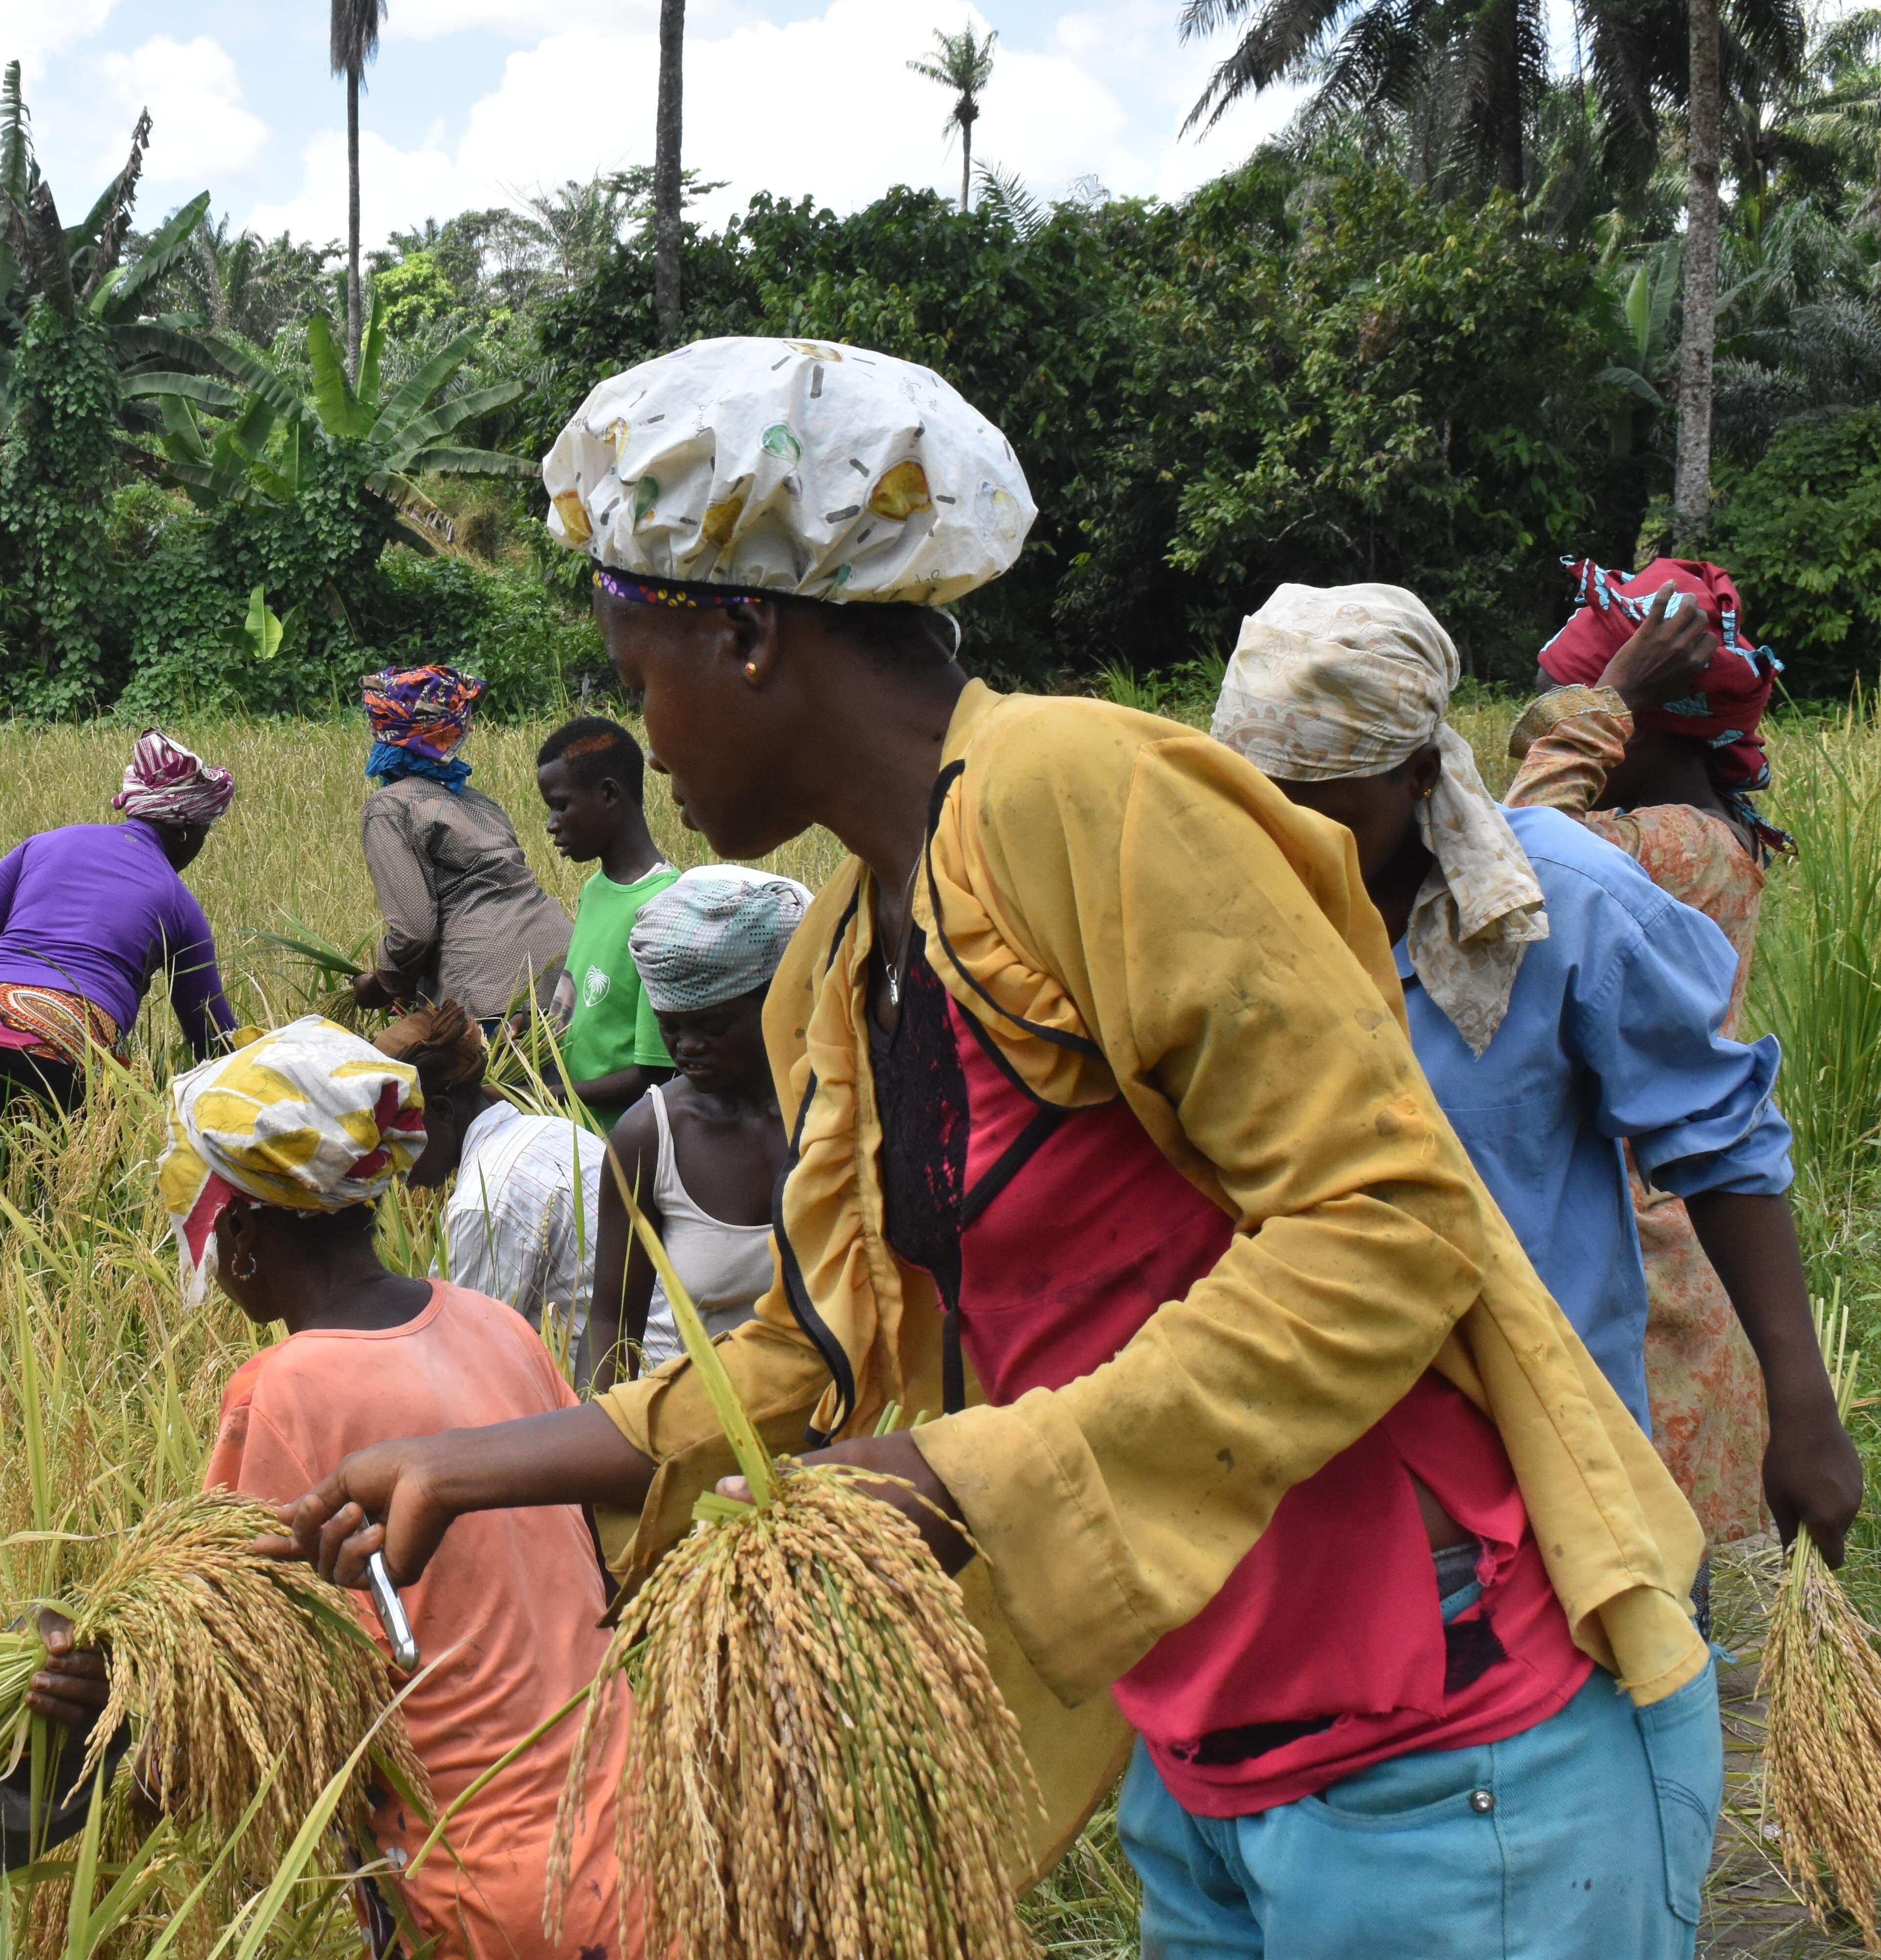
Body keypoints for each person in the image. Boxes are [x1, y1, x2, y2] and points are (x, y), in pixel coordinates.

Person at [280, 337, 1722, 1959]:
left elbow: (1384, 1229)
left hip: (1455, 1750)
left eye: (638, 676)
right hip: (1201, 1751)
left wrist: (959, 1477)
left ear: (748, 631)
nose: (639, 739)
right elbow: (814, 1357)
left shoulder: (1086, 800)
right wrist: (470, 1472)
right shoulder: (841, 954)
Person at [1209, 583, 1858, 1603]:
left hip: (1559, 1482)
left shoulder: (1565, 903)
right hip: (1301, 1477)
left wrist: (1802, 1405)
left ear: (1419, 774)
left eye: (1320, 810)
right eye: (1253, 803)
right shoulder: (1216, 912)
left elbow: (1720, 1140)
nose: (1282, 843)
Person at [149, 1015, 626, 1959]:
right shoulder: (493, 1324)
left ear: (240, 1227)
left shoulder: (286, 1388)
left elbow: (217, 1655)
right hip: (630, 1828)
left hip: (474, 1875)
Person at [1509, 560, 1794, 1548]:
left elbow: (1513, 866)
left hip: (1654, 1246)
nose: (1561, 726)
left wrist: (1613, 694)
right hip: (1672, 1232)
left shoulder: (1668, 847)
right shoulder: (1688, 832)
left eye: (1590, 712)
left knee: (1670, 1562)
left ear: (1644, 730)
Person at [574, 866, 801, 1391]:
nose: (687, 1048)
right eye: (670, 1026)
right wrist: (600, 1427)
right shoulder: (648, 1141)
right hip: (721, 1438)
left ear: (773, 1000)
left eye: (712, 1026)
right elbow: (612, 1320)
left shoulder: (835, 1105)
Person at [0, 729, 240, 1119]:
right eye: (204, 833)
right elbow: (212, 1037)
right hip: (69, 1031)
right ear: (185, 831)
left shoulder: (46, 843)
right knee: (67, 1178)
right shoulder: (179, 902)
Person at [351, 666, 573, 1031]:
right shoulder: (478, 802)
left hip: (491, 987)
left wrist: (382, 984)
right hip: (564, 965)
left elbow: (414, 931)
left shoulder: (390, 806)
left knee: (486, 1090)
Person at [375, 1001, 603, 1340]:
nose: (392, 1163)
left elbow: (464, 1350)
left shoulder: (484, 1201)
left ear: (440, 1112)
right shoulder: (556, 1131)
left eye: (394, 1137)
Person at [534, 716, 677, 1125]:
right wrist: (536, 1031)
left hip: (620, 1148)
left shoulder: (664, 907)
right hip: (574, 1135)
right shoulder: (595, 890)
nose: (551, 824)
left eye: (561, 805)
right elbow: (586, 1007)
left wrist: (549, 1096)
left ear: (609, 794)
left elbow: (656, 1071)